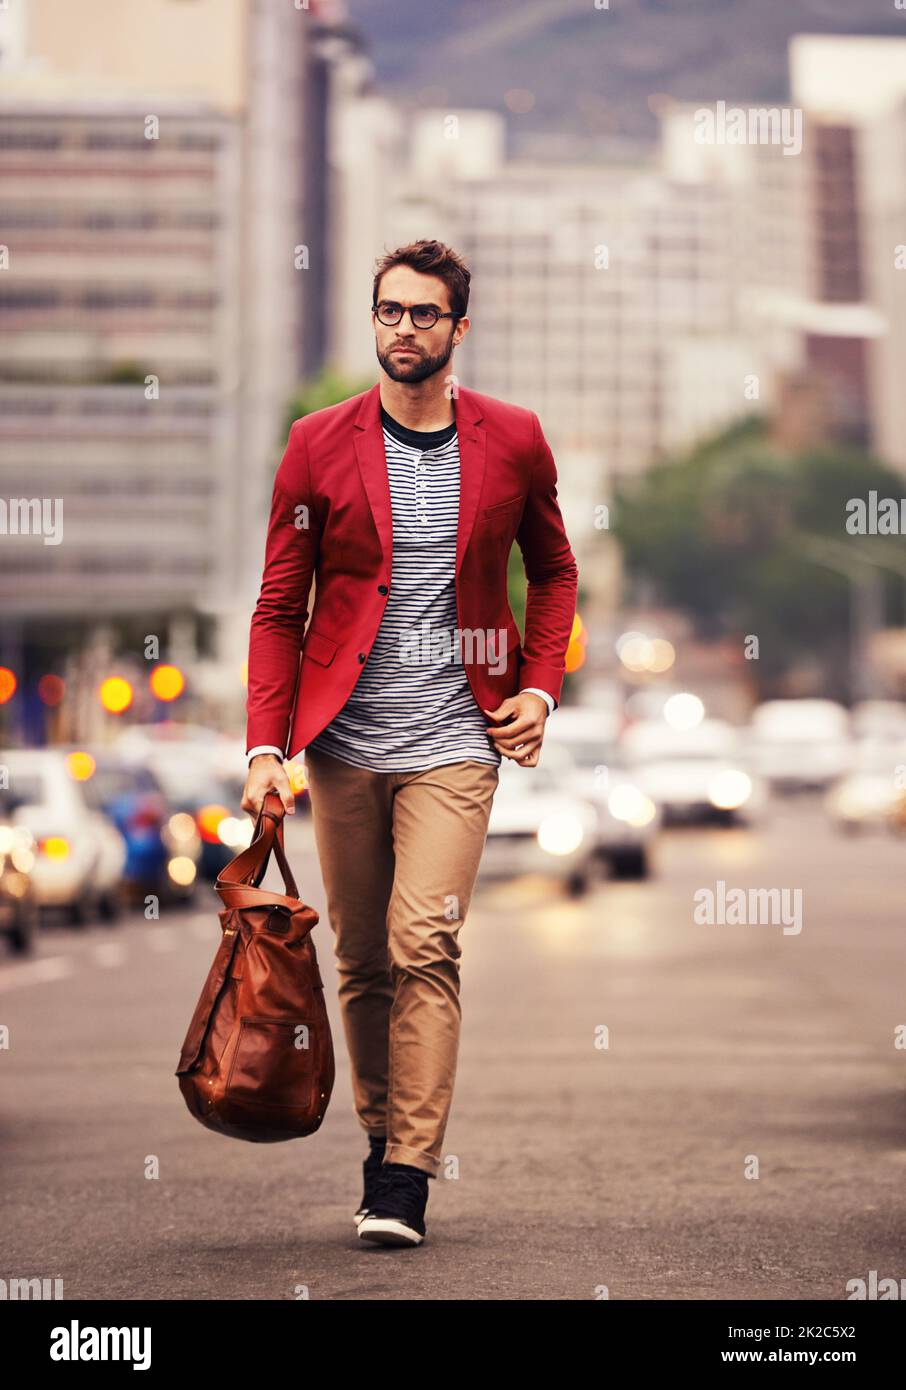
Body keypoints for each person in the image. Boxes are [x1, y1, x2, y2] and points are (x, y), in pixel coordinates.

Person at [241, 238, 578, 1246]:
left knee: (422, 940)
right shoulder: (317, 443)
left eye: (424, 314)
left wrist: (541, 688)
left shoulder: (513, 439)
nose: (402, 328)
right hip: (344, 741)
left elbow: (553, 570)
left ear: (458, 328)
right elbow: (276, 606)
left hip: (456, 739)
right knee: (358, 958)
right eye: (388, 311)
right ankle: (382, 1136)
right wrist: (268, 743)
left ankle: (407, 1174)